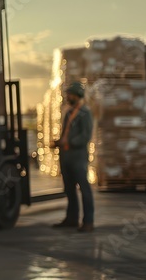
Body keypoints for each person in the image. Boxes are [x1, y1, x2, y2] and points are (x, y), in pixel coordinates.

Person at [51, 81, 95, 232]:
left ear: (76, 95)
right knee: (69, 189)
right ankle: (72, 218)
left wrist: (68, 141)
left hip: (78, 156)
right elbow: (66, 134)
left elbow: (85, 136)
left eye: (70, 94)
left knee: (84, 188)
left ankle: (88, 221)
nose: (67, 96)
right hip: (66, 156)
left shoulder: (85, 113)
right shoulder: (69, 113)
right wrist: (58, 142)